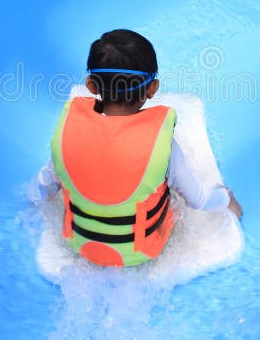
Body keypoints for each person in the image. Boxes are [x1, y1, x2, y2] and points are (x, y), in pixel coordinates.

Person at [29, 29, 242, 268]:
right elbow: (197, 199)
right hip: (143, 252)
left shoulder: (68, 135)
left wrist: (31, 199)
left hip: (81, 247)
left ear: (90, 85)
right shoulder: (163, 147)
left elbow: (39, 190)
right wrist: (227, 199)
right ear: (153, 88)